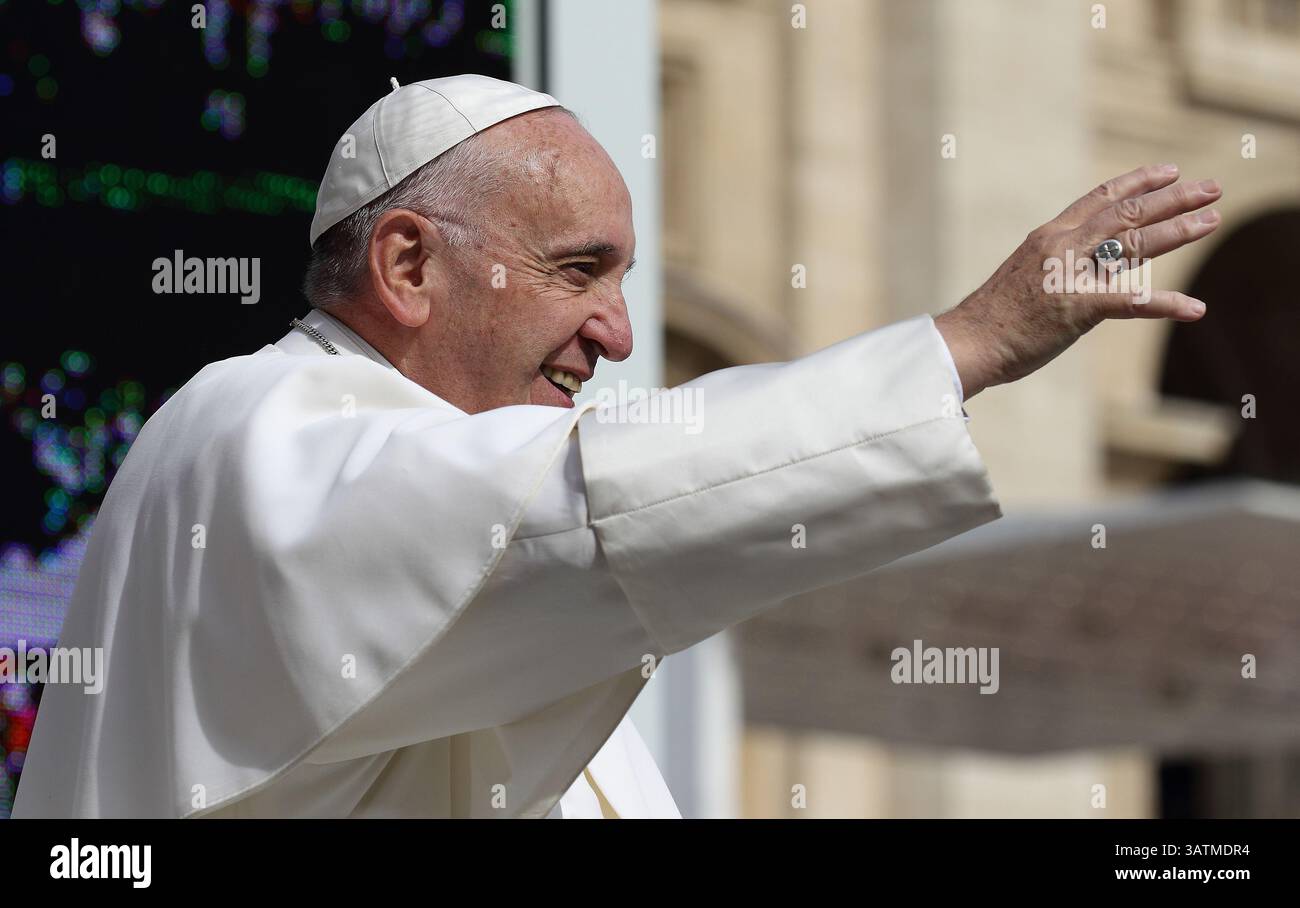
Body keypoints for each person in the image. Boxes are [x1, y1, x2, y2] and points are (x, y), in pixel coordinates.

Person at [13, 75, 1222, 818]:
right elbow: (566, 507)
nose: (618, 329)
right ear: (407, 266)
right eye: (576, 269)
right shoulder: (246, 430)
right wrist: (973, 340)